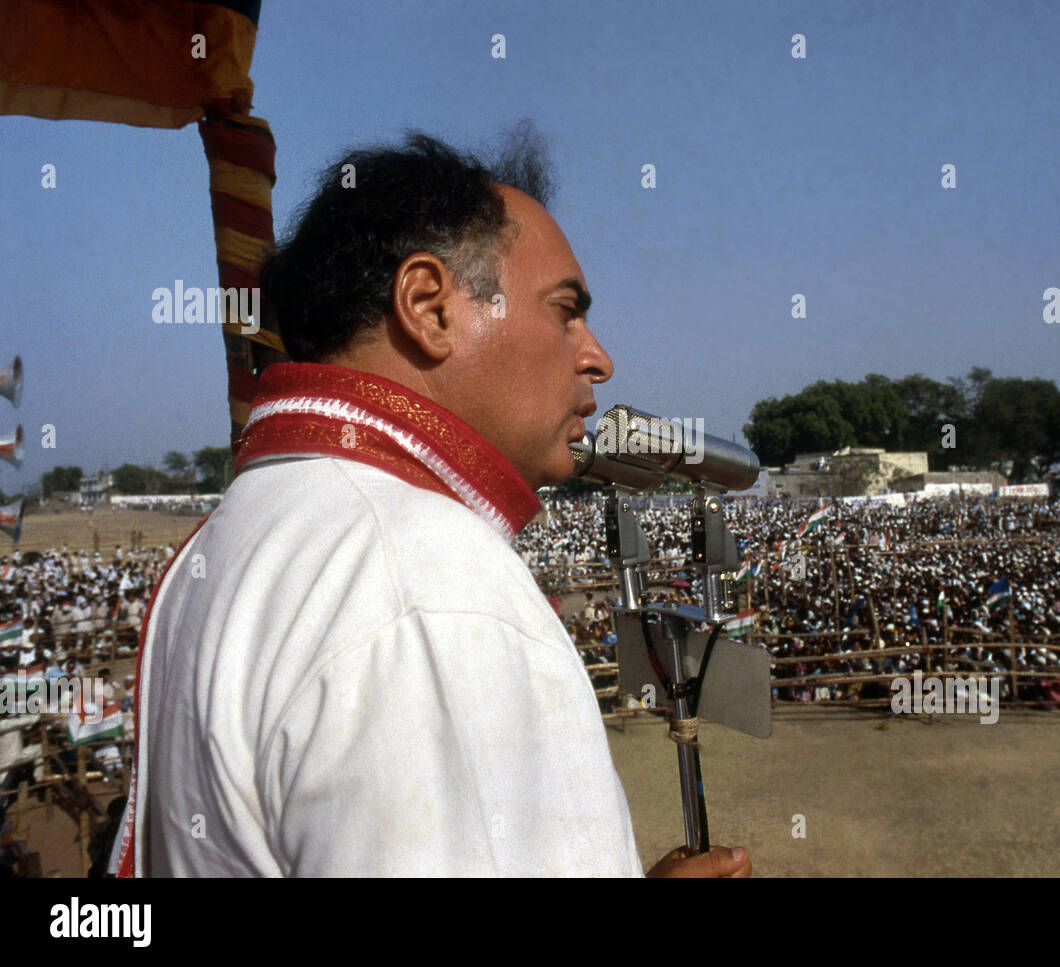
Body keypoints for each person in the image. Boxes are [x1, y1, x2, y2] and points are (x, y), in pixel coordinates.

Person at [114, 127, 749, 879]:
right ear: (428, 306)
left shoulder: (232, 536)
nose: (597, 357)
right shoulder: (434, 579)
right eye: (564, 309)